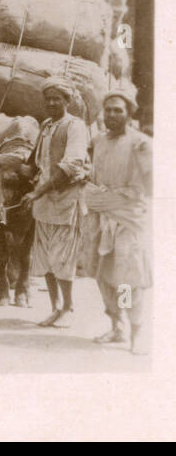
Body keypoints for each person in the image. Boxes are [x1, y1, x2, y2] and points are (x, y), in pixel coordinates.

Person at [82, 91, 152, 355]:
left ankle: (136, 333)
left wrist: (115, 199)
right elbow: (94, 178)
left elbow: (151, 184)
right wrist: (98, 196)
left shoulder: (140, 143)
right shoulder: (98, 141)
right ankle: (116, 326)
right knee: (103, 274)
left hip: (127, 220)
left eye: (118, 110)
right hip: (102, 218)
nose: (112, 115)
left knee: (128, 277)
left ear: (129, 113)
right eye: (108, 110)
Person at [23, 77, 91, 329]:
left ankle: (68, 306)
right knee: (44, 257)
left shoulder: (75, 126)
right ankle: (54, 307)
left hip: (64, 199)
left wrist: (37, 192)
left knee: (62, 257)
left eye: (57, 98)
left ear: (67, 101)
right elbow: (35, 161)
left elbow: (71, 164)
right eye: (48, 98)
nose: (52, 102)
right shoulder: (46, 125)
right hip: (44, 201)